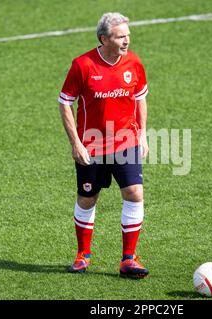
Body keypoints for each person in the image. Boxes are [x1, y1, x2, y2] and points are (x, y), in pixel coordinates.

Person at [58, 12, 150, 278]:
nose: (127, 41)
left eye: (128, 35)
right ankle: (82, 255)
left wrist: (142, 135)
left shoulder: (133, 62)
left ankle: (128, 259)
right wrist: (76, 143)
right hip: (92, 145)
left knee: (134, 193)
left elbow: (140, 97)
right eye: (121, 36)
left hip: (126, 141)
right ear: (104, 39)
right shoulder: (83, 65)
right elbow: (65, 102)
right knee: (88, 198)